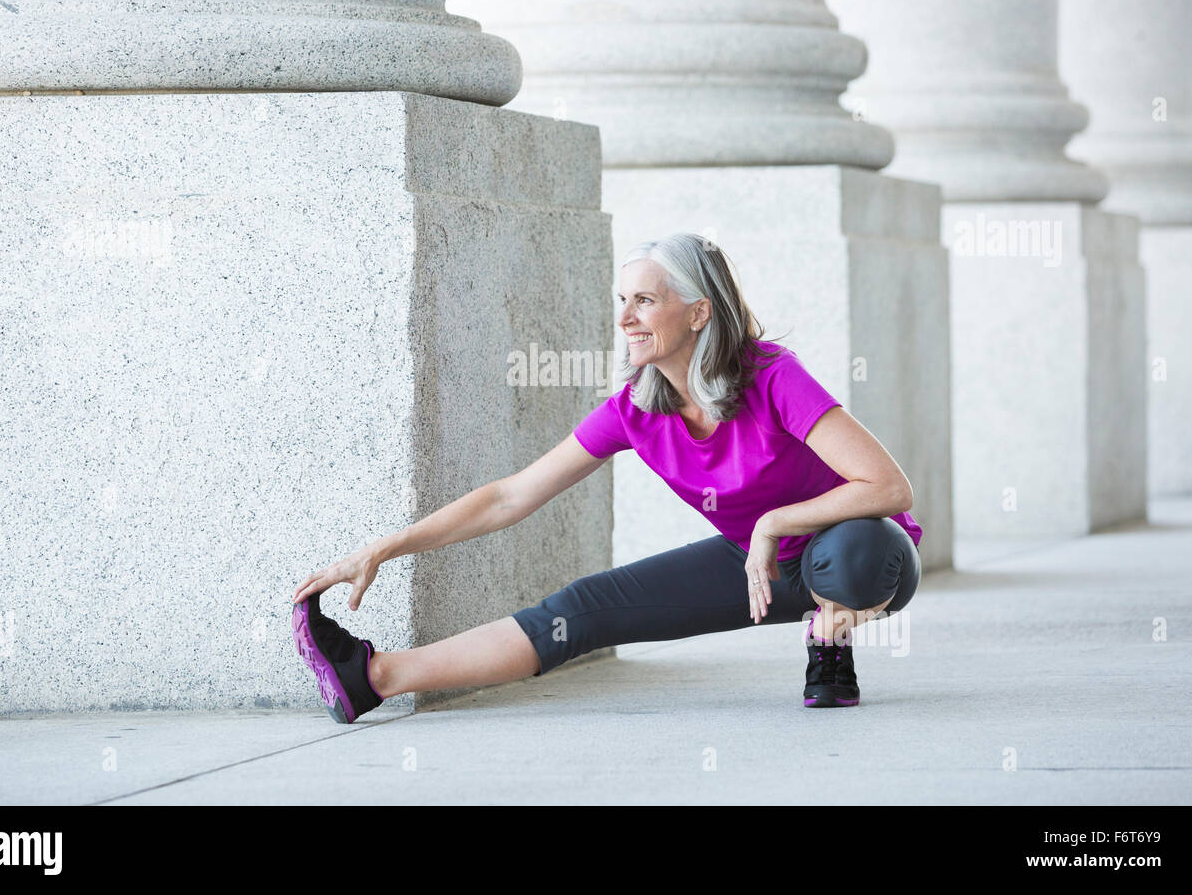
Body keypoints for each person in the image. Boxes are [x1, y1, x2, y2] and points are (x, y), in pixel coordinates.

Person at [291, 232, 923, 722]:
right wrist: (386, 547)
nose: (625, 319)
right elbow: (510, 497)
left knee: (855, 551)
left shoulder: (772, 376)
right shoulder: (636, 410)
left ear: (699, 312)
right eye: (623, 301)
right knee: (580, 610)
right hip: (757, 570)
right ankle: (374, 677)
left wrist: (774, 523)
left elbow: (890, 488)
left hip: (860, 563)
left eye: (646, 300)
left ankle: (831, 639)